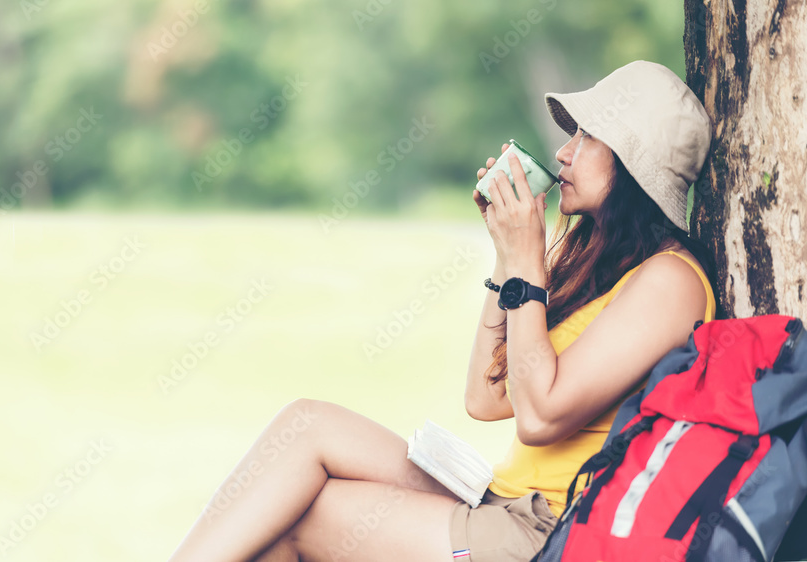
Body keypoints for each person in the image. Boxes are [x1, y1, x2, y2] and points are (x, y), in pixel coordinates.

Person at [168, 60, 719, 562]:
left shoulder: (671, 281)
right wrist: (508, 257)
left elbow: (540, 416)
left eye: (588, 136)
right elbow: (486, 394)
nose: (563, 152)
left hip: (551, 534)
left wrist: (530, 263)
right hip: (506, 504)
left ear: (633, 161)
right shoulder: (604, 267)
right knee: (305, 426)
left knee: (301, 520)